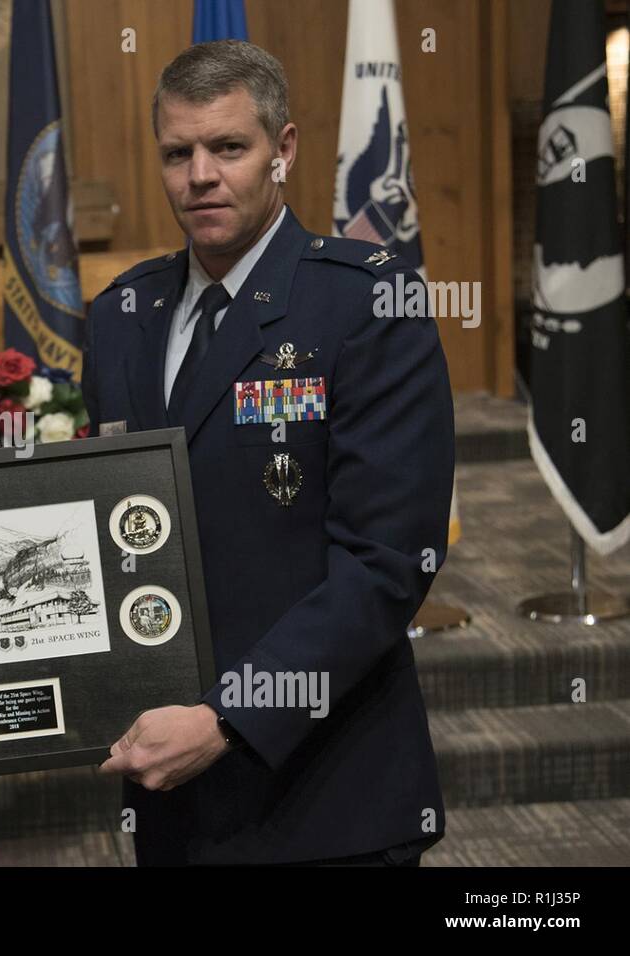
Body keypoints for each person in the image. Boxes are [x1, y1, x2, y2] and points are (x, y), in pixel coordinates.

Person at [88, 40, 454, 866]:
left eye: (228, 147)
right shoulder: (122, 315)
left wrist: (228, 716)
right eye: (178, 153)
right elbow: (97, 517)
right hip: (170, 790)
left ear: (283, 150)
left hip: (325, 790)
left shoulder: (365, 303)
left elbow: (384, 562)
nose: (200, 175)